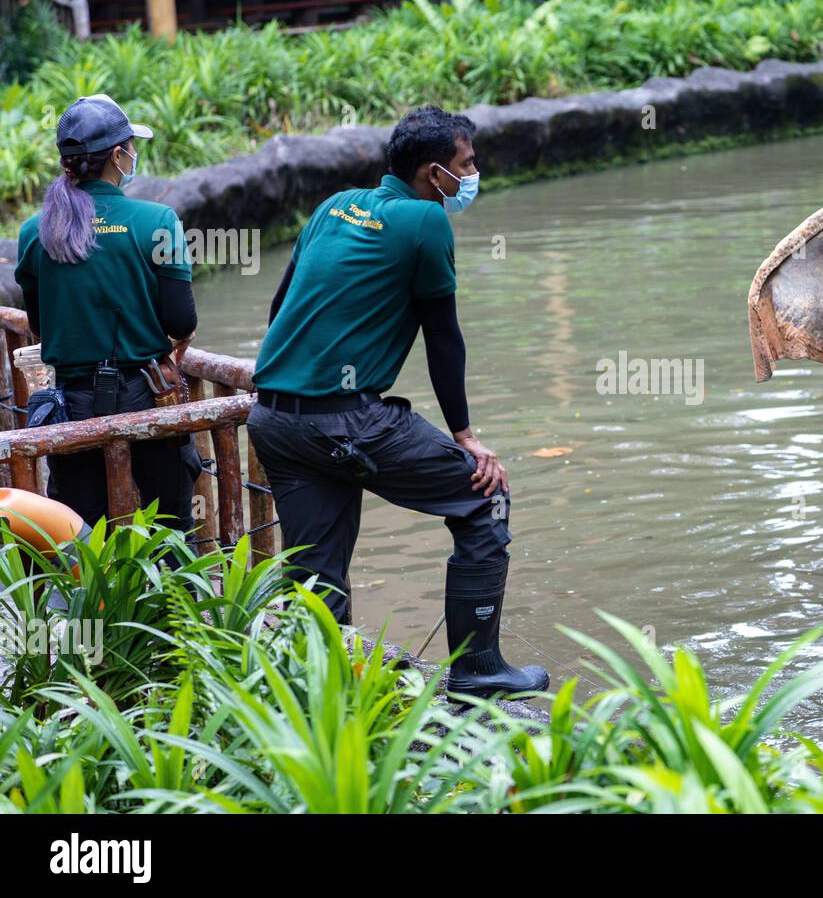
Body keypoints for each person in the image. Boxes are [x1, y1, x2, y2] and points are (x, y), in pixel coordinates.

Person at [246, 105, 548, 700]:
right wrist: (464, 436)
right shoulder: (426, 221)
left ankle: (316, 694)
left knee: (315, 568)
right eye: (467, 164)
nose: (474, 173)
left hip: (273, 418)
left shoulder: (334, 206)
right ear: (435, 174)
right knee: (485, 498)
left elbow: (279, 310)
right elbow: (443, 335)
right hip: (347, 421)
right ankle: (478, 671)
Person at [15, 94, 201, 535]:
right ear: (118, 155)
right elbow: (181, 321)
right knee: (170, 530)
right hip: (148, 397)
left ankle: (91, 607)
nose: (133, 155)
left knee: (82, 535)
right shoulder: (157, 220)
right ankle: (173, 604)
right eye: (130, 147)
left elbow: (43, 326)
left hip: (72, 407)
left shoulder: (34, 231)